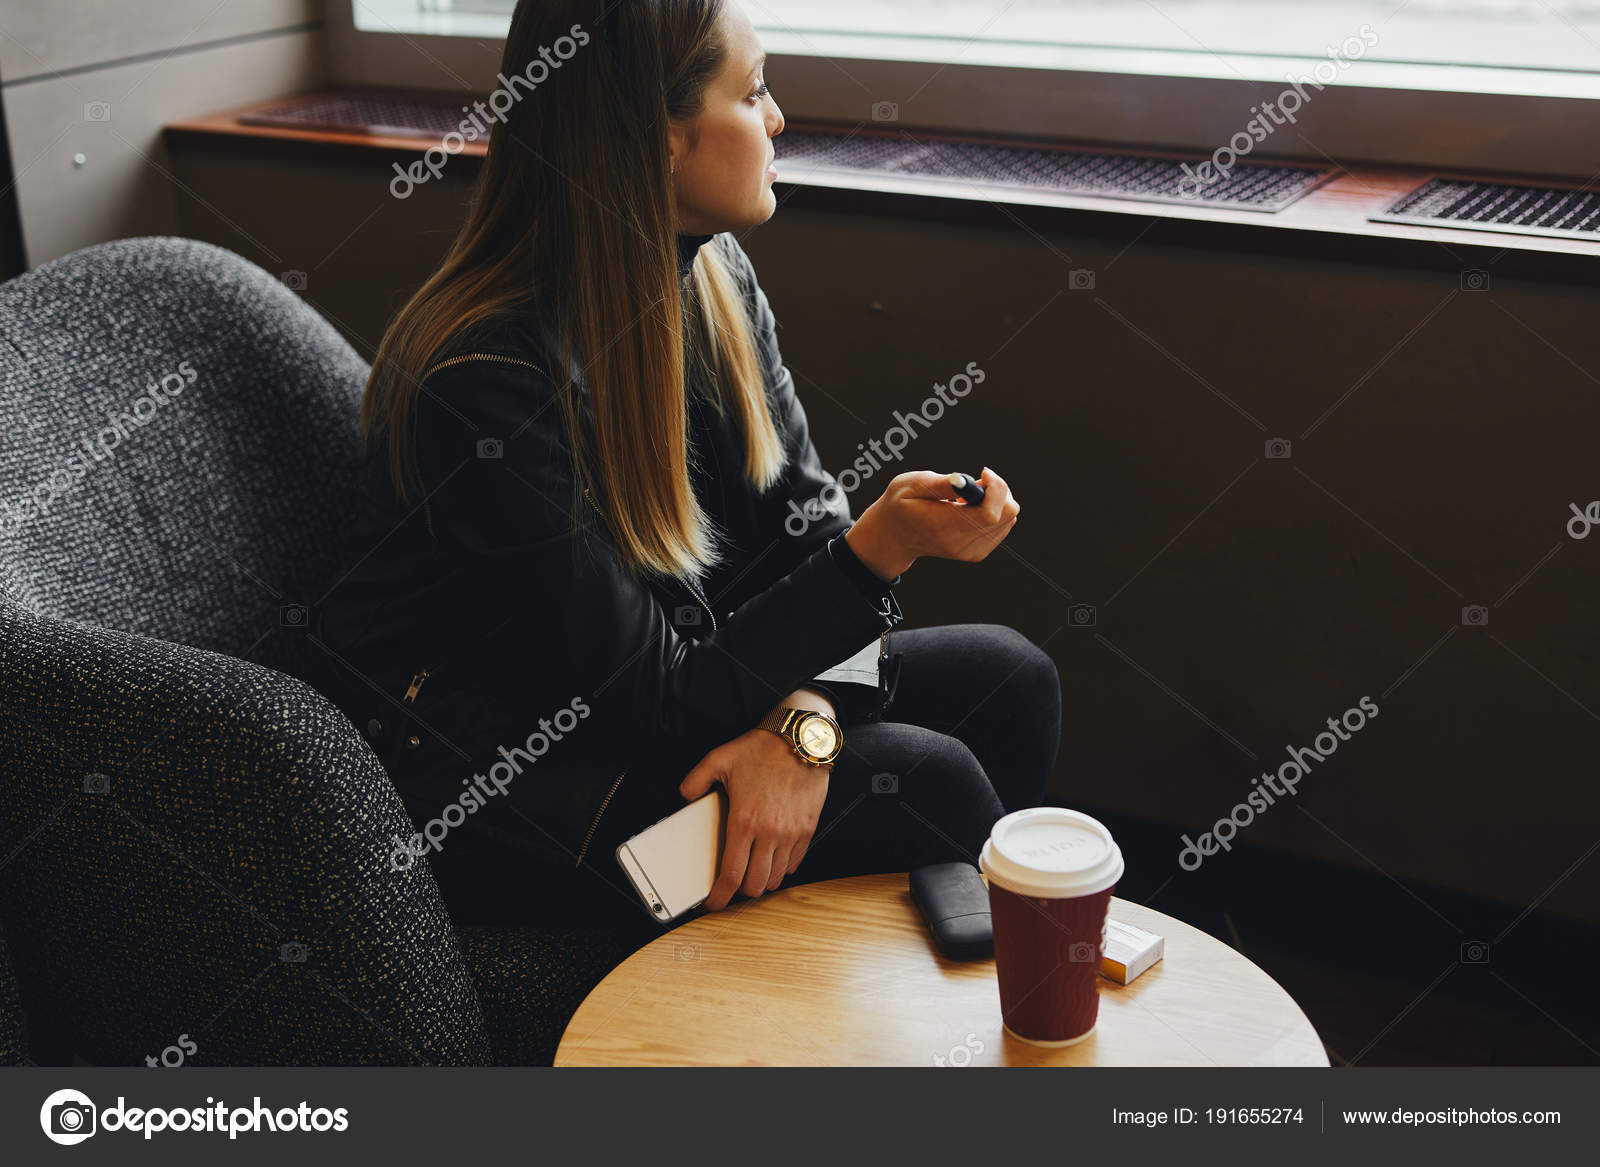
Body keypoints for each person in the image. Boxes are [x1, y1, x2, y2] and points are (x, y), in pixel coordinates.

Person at [314, 0, 1061, 933]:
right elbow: (661, 701)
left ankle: (896, 998)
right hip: (511, 808)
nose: (779, 119)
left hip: (656, 708)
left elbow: (808, 547)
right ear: (659, 141)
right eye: (752, 94)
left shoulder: (710, 278)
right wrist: (883, 553)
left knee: (1013, 678)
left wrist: (803, 729)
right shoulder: (489, 388)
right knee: (928, 783)